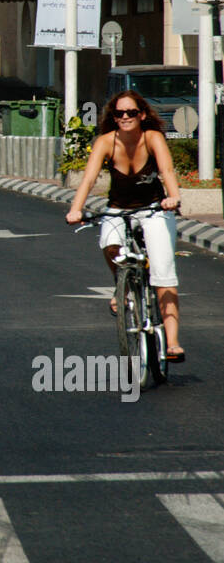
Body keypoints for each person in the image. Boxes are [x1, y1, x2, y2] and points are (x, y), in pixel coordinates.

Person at [66, 89, 184, 360]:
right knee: (110, 245)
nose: (126, 117)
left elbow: (166, 171)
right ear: (114, 117)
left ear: (142, 115)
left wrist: (173, 197)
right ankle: (123, 286)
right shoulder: (106, 142)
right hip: (118, 209)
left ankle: (173, 342)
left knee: (163, 272)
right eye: (120, 113)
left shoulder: (152, 137)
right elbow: (88, 179)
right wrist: (75, 210)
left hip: (155, 209)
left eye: (131, 112)